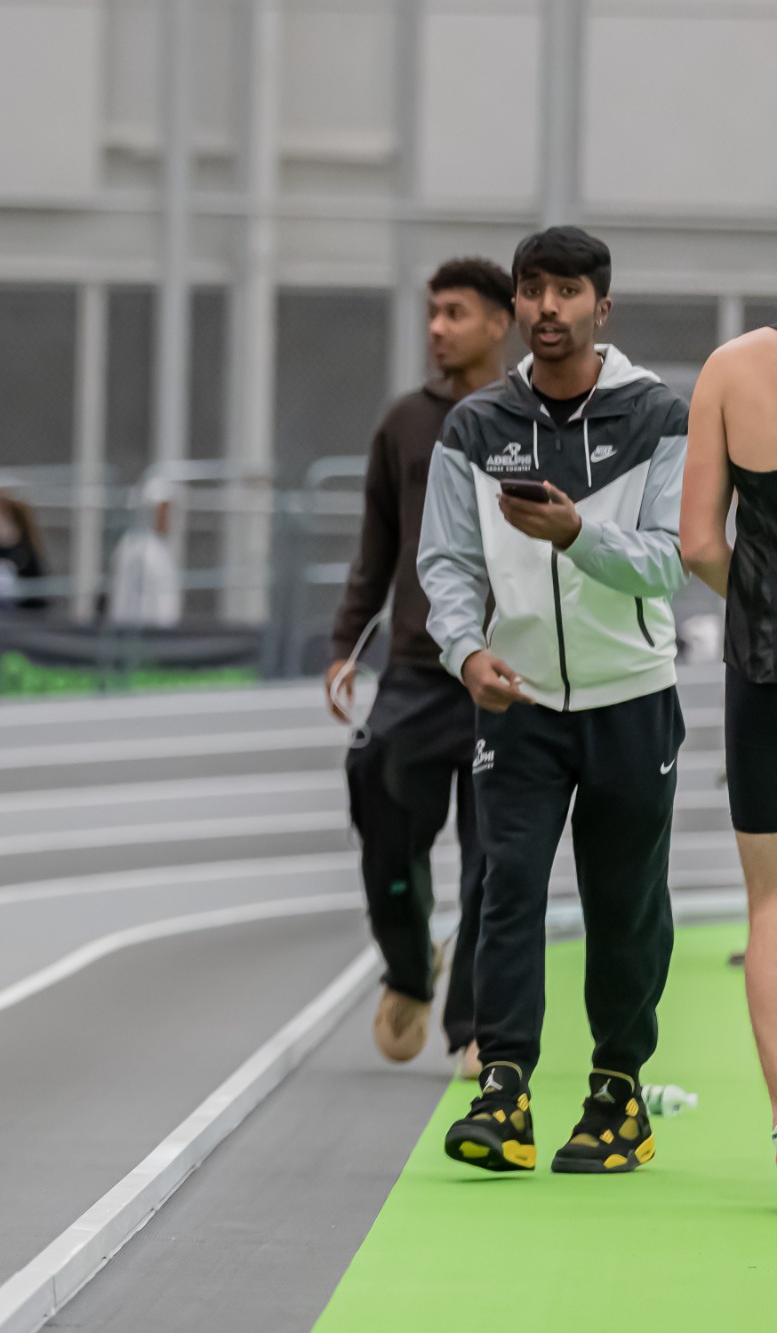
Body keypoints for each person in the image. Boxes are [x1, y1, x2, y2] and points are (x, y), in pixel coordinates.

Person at [419, 226, 688, 1175]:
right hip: (519, 700)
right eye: (533, 289)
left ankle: (617, 1093)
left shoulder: (659, 414)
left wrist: (578, 534)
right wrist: (464, 651)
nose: (546, 307)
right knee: (505, 893)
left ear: (600, 308)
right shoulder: (477, 426)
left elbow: (670, 561)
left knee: (624, 904)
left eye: (567, 290)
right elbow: (447, 560)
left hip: (631, 698)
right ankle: (505, 1089)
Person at [327, 258, 514, 1078]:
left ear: (499, 323)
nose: (437, 327)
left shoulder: (532, 419)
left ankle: (473, 1022)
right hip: (412, 667)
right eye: (432, 313)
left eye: (455, 313)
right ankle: (409, 964)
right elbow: (377, 543)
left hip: (505, 674)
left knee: (492, 859)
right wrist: (344, 642)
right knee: (380, 816)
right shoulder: (404, 421)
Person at [680, 322, 777, 1161]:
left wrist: (753, 594)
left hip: (765, 666)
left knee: (772, 908)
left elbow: (700, 543)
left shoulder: (733, 368)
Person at [111, 476, 184, 627]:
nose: (166, 517)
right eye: (161, 511)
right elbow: (125, 603)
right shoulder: (135, 550)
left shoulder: (161, 550)